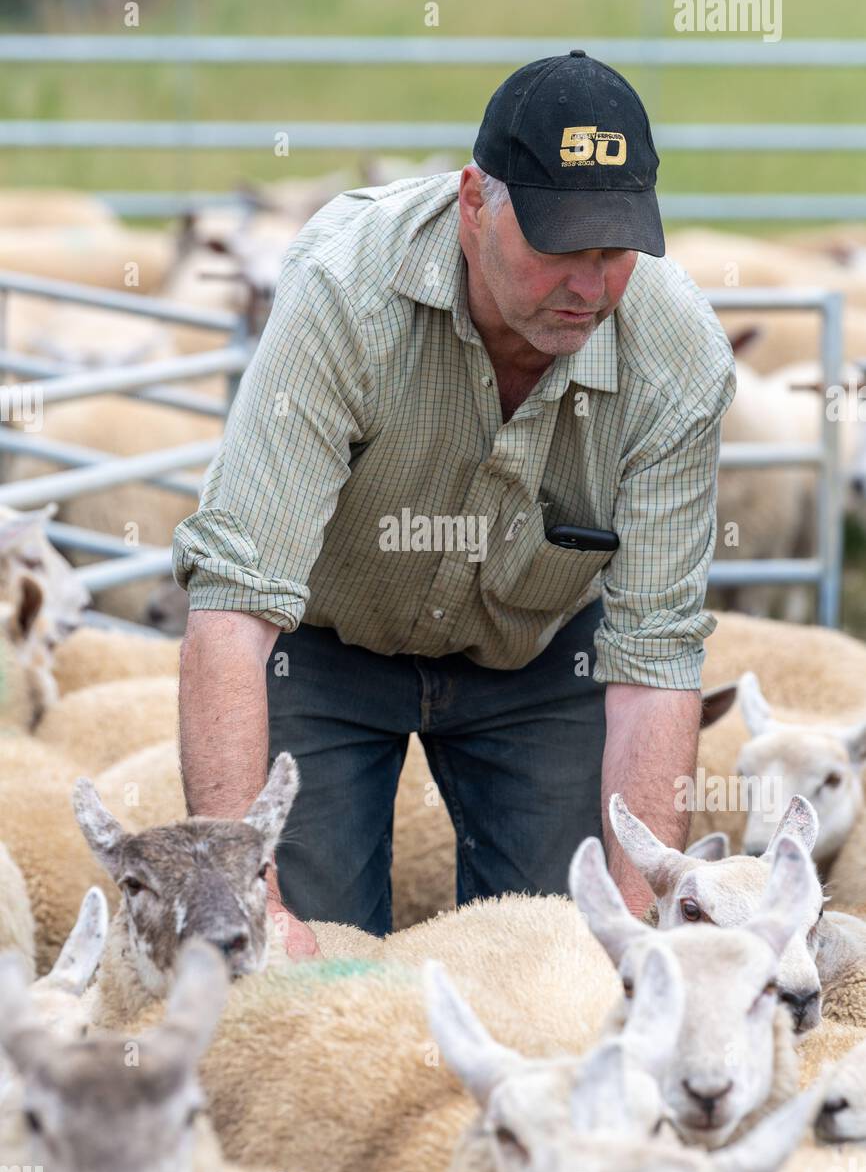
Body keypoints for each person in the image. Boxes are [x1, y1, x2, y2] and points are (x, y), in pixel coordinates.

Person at [172, 49, 736, 957]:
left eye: (616, 250)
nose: (590, 288)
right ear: (476, 203)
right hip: (320, 645)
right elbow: (235, 605)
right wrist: (251, 902)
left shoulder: (676, 359)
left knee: (566, 963)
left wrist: (635, 938)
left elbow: (654, 663)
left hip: (544, 659)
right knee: (311, 965)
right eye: (559, 247)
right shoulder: (344, 289)